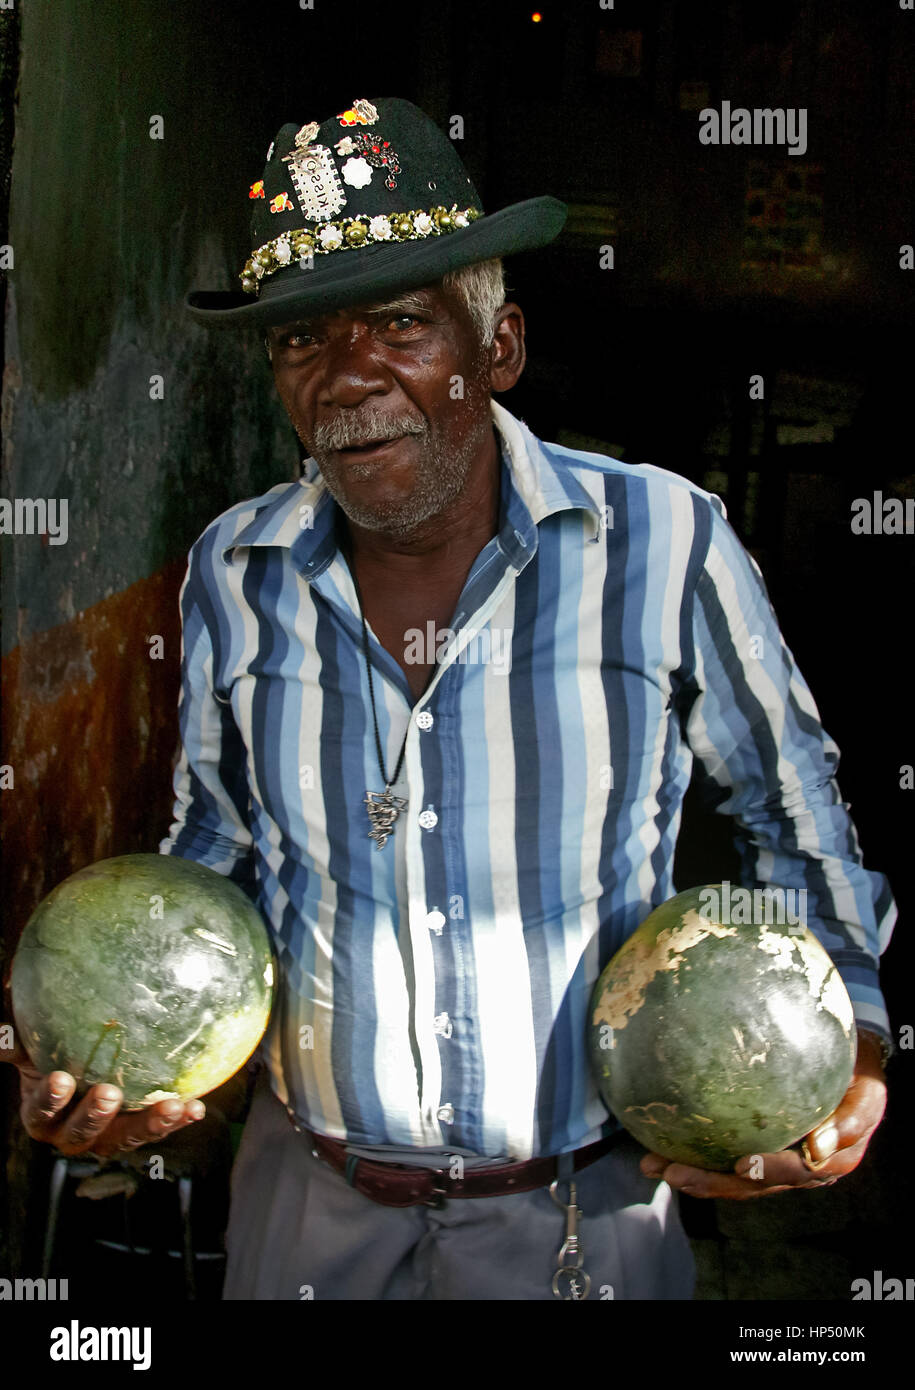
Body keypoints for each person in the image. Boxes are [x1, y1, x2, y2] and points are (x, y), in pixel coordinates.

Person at [9, 97, 892, 1301]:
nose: (348, 374)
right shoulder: (235, 567)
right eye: (302, 338)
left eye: (400, 322)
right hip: (307, 1200)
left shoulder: (664, 542)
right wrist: (125, 1048)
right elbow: (211, 840)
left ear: (501, 350)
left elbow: (790, 814)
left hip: (583, 1208)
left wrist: (856, 1050)